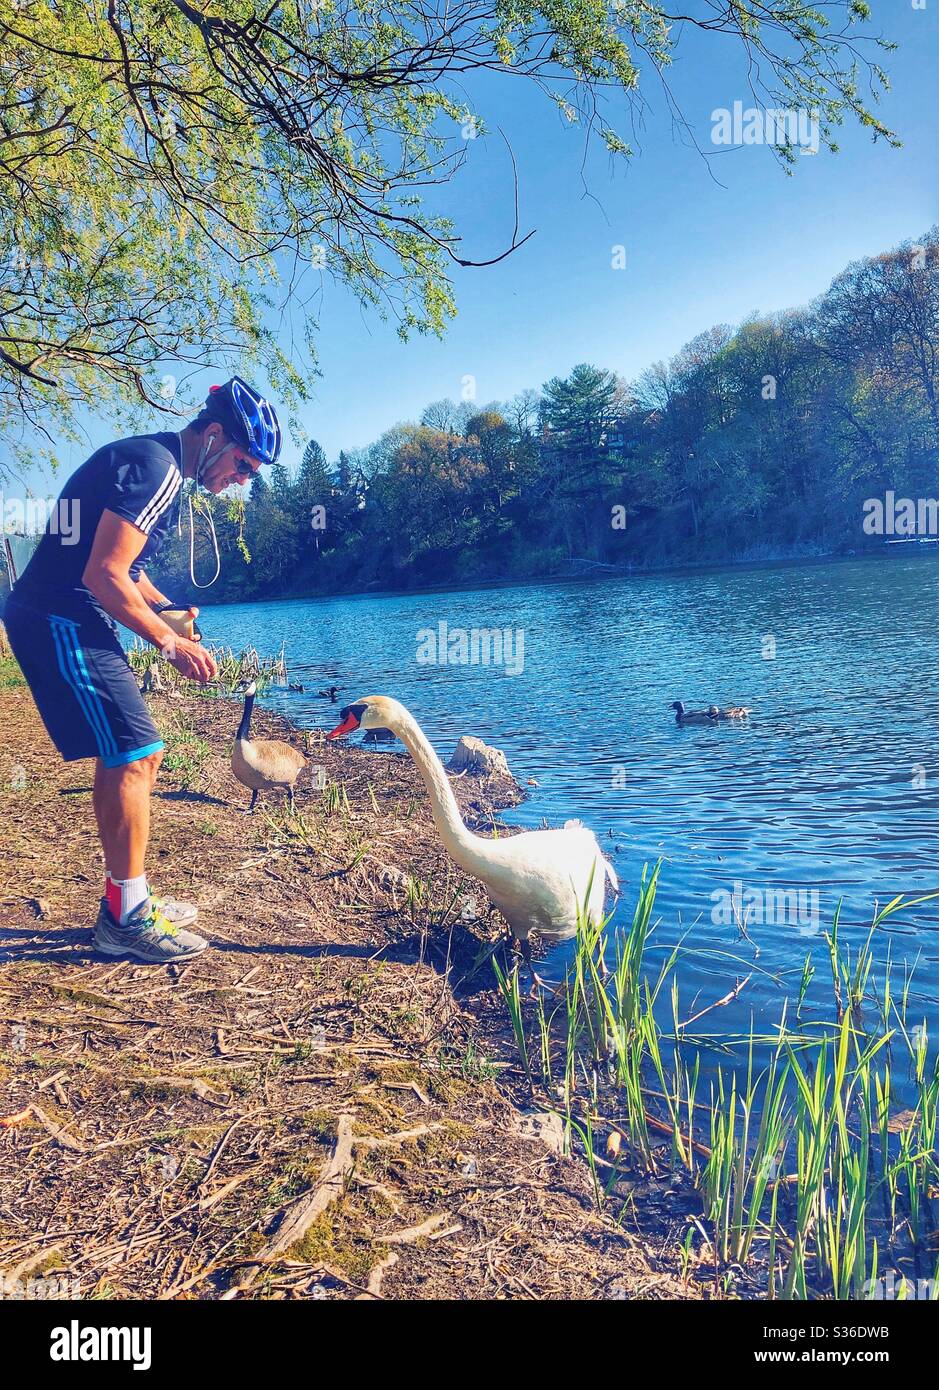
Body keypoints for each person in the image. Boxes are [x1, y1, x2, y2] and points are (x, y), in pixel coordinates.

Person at [2, 378, 282, 963]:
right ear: (213, 436)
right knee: (135, 753)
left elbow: (125, 573)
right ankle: (126, 920)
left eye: (250, 473)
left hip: (67, 611)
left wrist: (166, 611)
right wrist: (167, 644)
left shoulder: (158, 465)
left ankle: (127, 897)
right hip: (58, 613)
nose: (241, 480)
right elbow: (102, 575)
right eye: (243, 465)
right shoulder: (155, 469)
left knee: (135, 753)